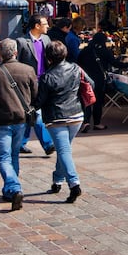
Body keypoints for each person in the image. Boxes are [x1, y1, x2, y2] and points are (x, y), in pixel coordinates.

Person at [0, 38, 38, 211]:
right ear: (15, 52)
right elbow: (35, 94)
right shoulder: (28, 70)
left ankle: (13, 188)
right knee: (13, 155)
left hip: (1, 120)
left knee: (4, 157)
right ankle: (10, 190)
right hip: (20, 119)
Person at [35, 40, 90, 204]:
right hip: (76, 115)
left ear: (48, 57)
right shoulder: (75, 68)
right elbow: (90, 83)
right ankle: (57, 180)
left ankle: (74, 183)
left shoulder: (47, 77)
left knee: (64, 150)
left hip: (57, 117)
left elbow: (39, 102)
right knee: (63, 149)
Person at [16, 14, 54, 156]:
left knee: (30, 114)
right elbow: (16, 64)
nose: (48, 26)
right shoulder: (21, 42)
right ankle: (48, 144)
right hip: (28, 85)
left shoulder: (46, 39)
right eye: (45, 23)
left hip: (43, 82)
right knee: (36, 114)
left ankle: (21, 143)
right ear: (37, 26)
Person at [77, 27, 115, 132]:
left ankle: (86, 122)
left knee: (87, 100)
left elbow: (78, 62)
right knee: (98, 102)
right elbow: (115, 63)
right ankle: (97, 123)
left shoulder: (85, 50)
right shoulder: (105, 51)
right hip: (99, 80)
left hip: (86, 79)